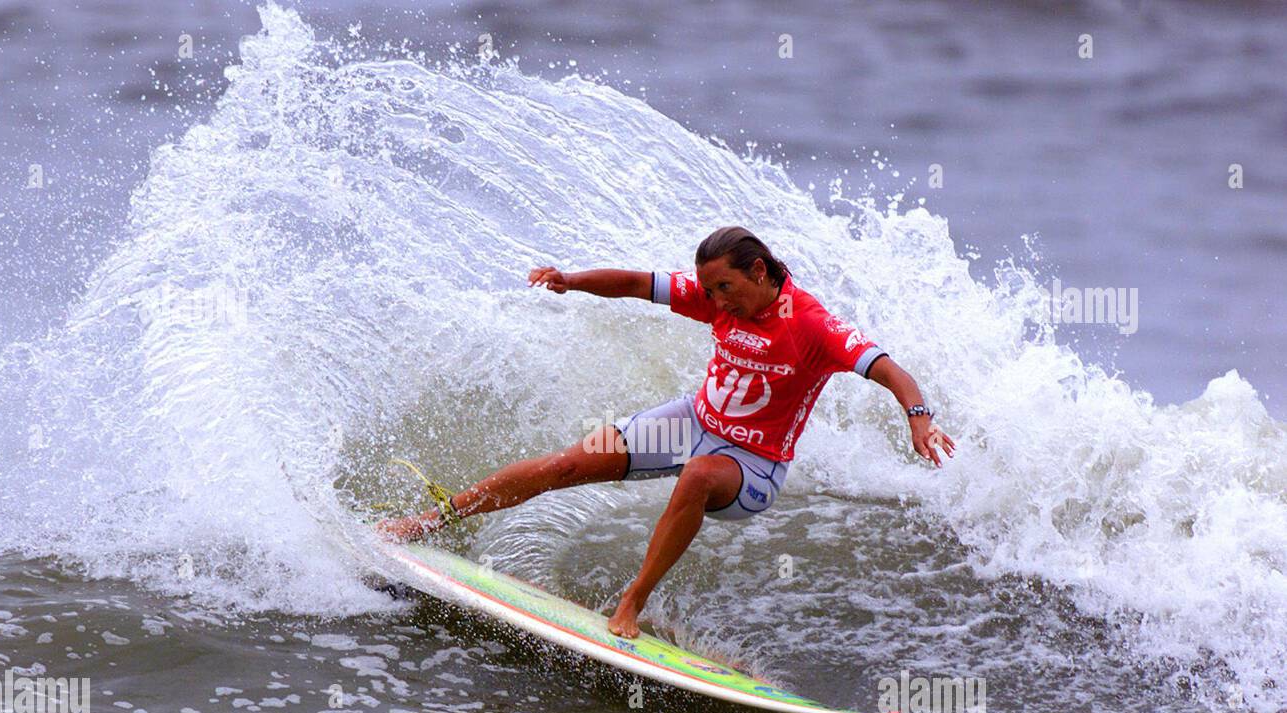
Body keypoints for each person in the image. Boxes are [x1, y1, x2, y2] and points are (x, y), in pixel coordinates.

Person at [379, 226, 955, 637]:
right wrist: (569, 280)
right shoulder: (720, 300)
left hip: (751, 467)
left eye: (722, 288)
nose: (712, 300)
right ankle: (430, 520)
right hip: (691, 422)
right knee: (565, 465)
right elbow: (635, 282)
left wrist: (918, 420)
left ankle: (631, 603)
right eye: (707, 291)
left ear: (758, 272)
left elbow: (888, 369)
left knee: (701, 474)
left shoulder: (812, 325)